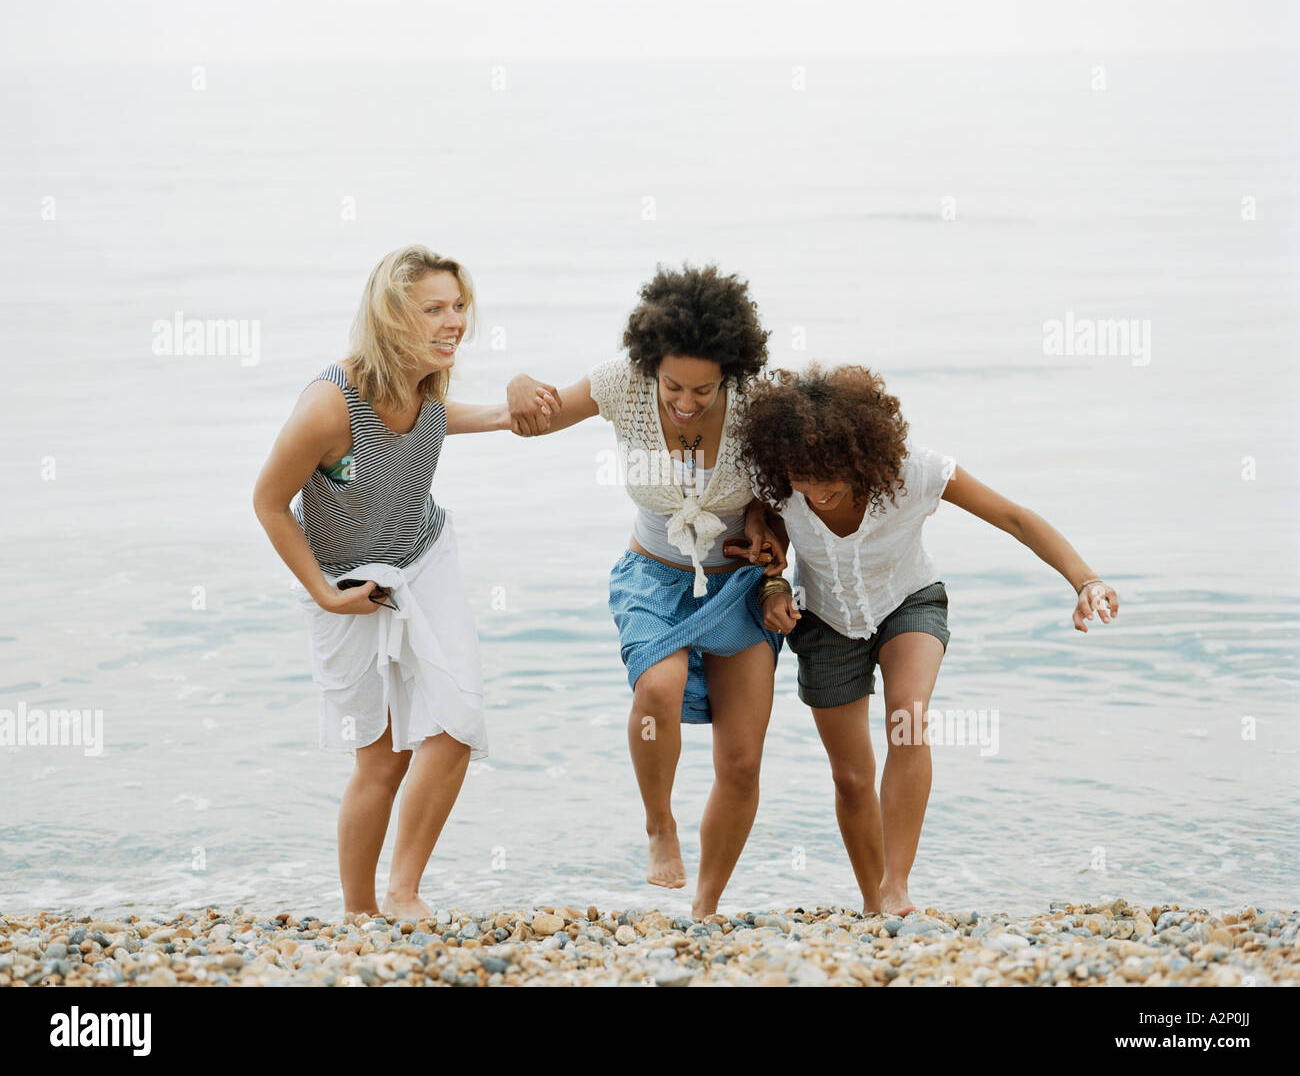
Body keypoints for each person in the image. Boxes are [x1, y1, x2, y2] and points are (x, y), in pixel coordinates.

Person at [737, 363, 1119, 917]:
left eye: (831, 476)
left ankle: (898, 886)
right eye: (803, 475)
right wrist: (773, 587)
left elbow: (1013, 517)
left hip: (908, 601)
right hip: (824, 623)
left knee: (908, 720)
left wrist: (1085, 580)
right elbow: (767, 543)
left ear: (863, 454)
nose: (816, 491)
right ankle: (874, 904)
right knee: (850, 775)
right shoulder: (780, 481)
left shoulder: (914, 472)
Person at [506, 262, 786, 919]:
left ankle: (708, 904)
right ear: (650, 364)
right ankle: (660, 823)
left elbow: (792, 493)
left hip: (738, 586)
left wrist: (769, 538)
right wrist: (519, 383)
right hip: (654, 578)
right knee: (656, 688)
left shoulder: (761, 400)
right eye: (673, 387)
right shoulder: (622, 385)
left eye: (704, 390)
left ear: (733, 374)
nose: (686, 402)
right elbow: (536, 416)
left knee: (742, 763)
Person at [252, 244, 519, 922]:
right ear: (391, 315)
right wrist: (323, 593)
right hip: (343, 582)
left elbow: (431, 422)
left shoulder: (428, 381)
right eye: (434, 309)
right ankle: (359, 914)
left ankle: (403, 892)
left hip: (423, 557)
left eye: (458, 306)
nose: (454, 321)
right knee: (380, 761)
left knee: (457, 722)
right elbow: (268, 502)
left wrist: (509, 410)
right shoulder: (328, 406)